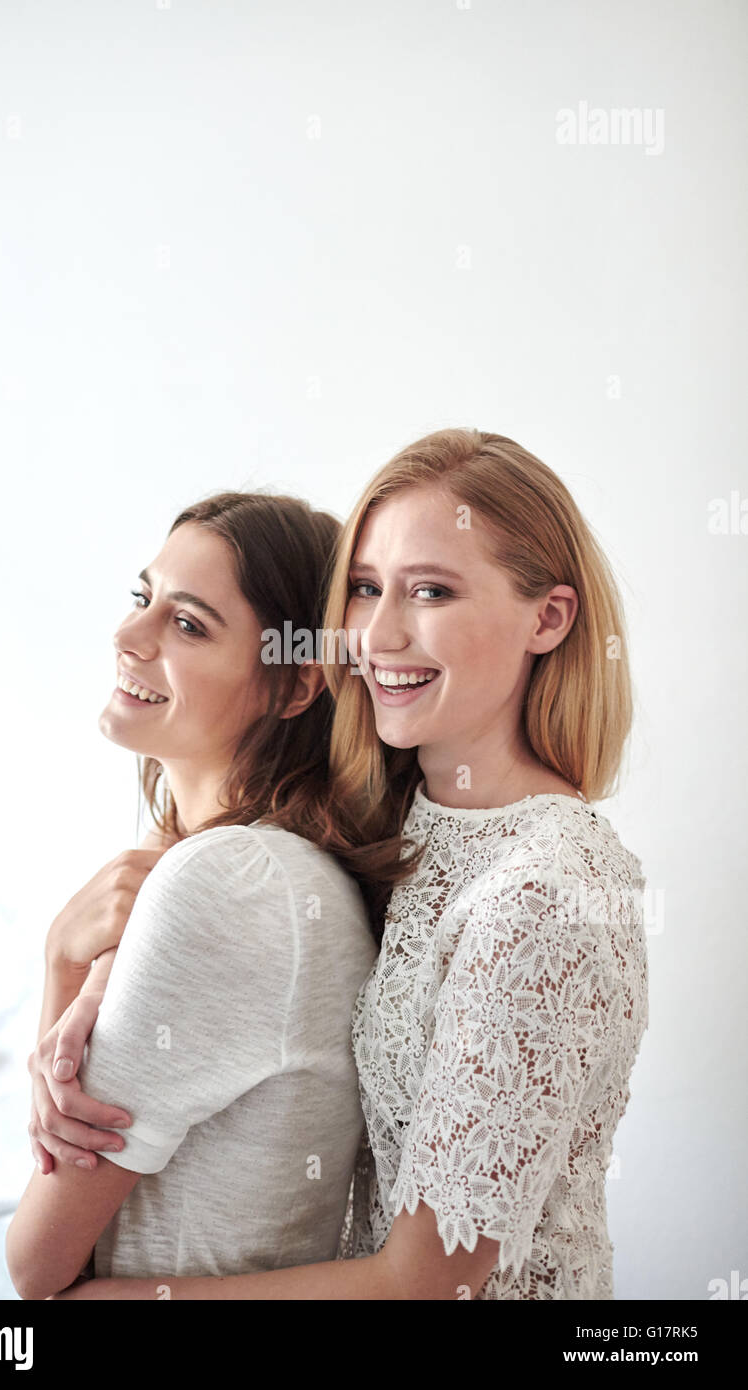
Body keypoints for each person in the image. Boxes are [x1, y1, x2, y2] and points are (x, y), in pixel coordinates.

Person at [35, 428, 649, 1301]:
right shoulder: (403, 825)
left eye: (431, 591)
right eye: (364, 590)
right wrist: (93, 973)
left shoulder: (543, 894)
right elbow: (241, 869)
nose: (378, 633)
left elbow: (426, 1284)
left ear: (547, 618)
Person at [5, 491, 382, 1300]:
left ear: (293, 686)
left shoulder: (228, 884)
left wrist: (60, 964)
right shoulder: (254, 868)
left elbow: (34, 1264)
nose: (127, 636)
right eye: (143, 598)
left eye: (187, 624)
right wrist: (74, 958)